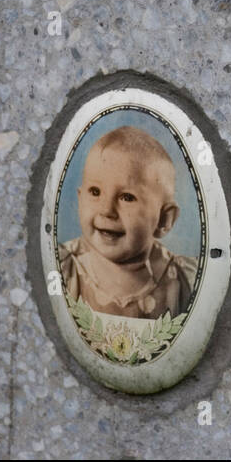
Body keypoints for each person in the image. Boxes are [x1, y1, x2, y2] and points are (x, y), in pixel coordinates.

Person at [59, 125, 196, 320]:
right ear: (80, 199)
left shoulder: (184, 281)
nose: (106, 210)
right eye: (95, 192)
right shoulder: (63, 269)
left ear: (164, 219)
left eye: (127, 197)